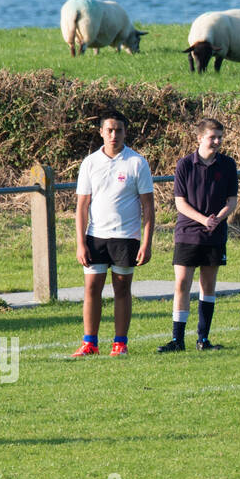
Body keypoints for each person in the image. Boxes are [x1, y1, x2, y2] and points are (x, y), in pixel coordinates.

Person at [71, 110, 154, 357]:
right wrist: (80, 243)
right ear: (101, 132)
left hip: (126, 237)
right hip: (95, 237)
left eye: (118, 130)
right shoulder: (90, 163)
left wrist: (146, 243)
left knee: (121, 290)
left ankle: (120, 344)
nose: (114, 134)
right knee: (91, 289)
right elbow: (82, 206)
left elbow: (148, 207)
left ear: (125, 132)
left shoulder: (137, 162)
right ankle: (90, 343)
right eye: (109, 130)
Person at [157, 118, 238, 352]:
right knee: (182, 283)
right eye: (213, 137)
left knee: (208, 284)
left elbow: (231, 201)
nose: (217, 141)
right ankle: (177, 340)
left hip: (215, 234)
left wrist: (218, 219)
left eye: (220, 137)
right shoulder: (184, 165)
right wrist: (204, 220)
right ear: (199, 138)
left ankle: (203, 339)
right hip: (188, 233)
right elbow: (180, 203)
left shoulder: (228, 165)